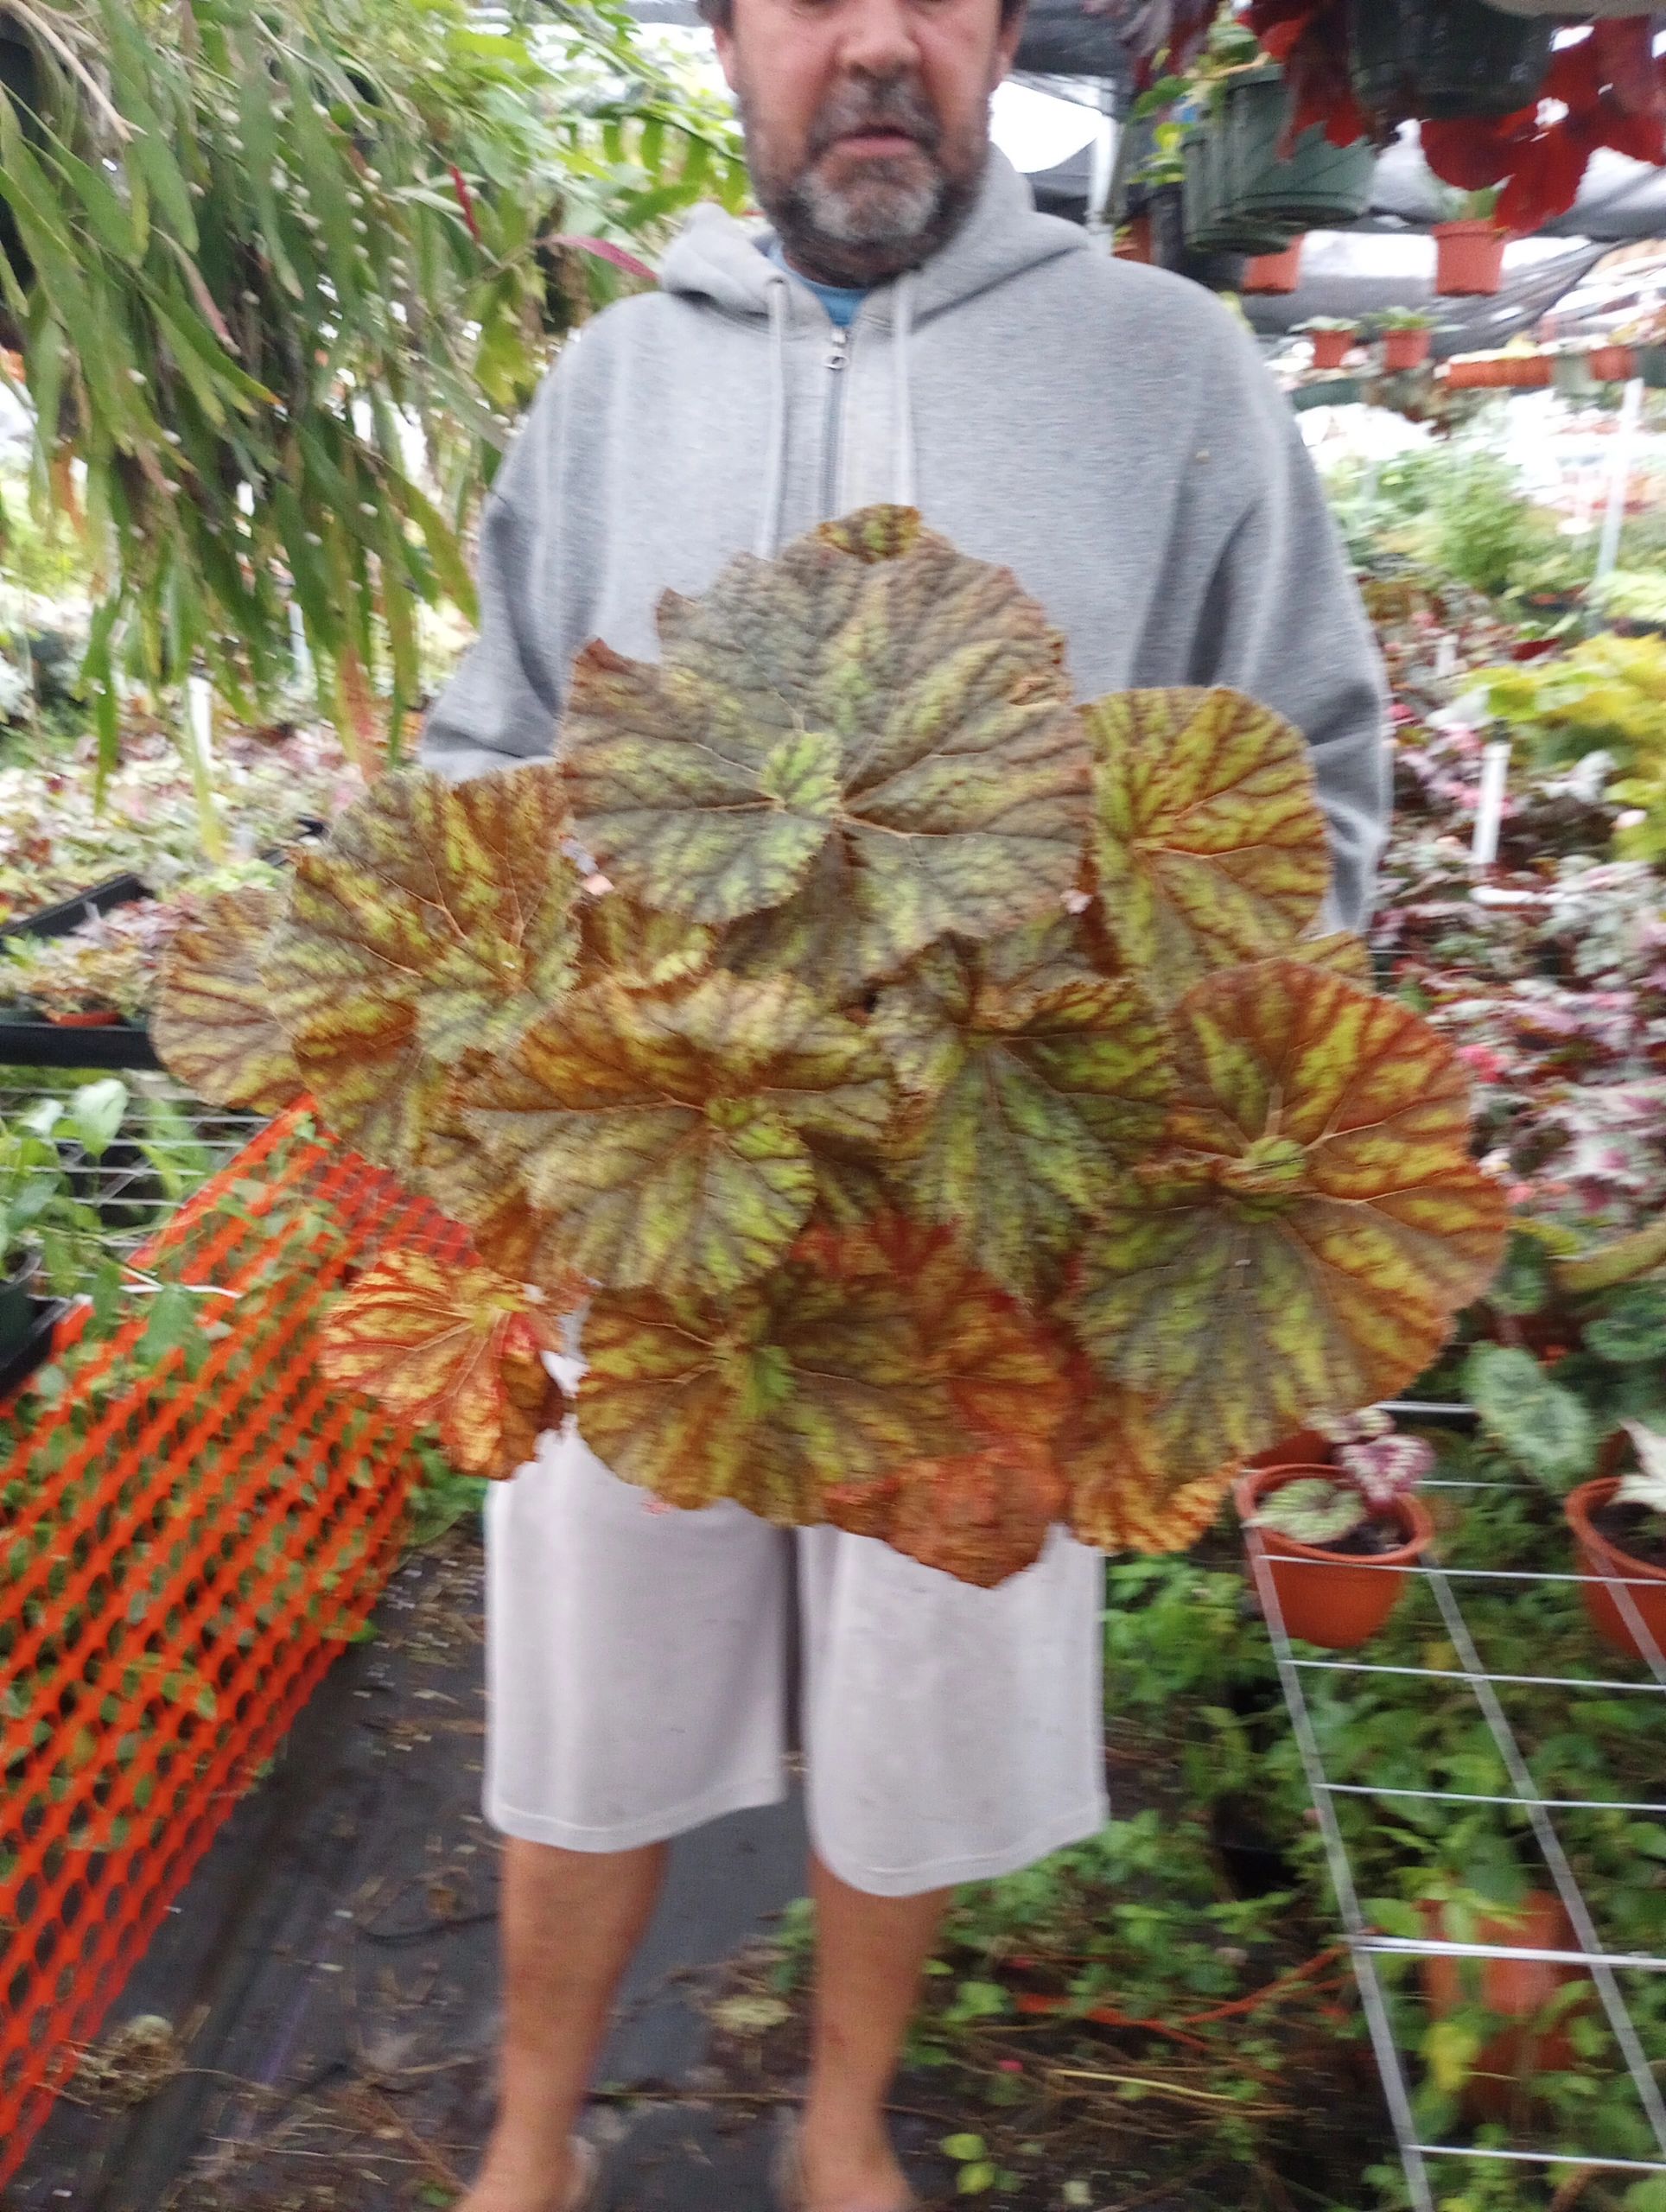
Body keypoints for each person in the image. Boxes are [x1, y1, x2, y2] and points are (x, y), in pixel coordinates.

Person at [421, 0, 1389, 2202]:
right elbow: (474, 752)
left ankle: (839, 2123)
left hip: (998, 1214)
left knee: (922, 1685)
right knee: (586, 1681)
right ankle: (530, 2134)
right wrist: (568, 927)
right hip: (651, 1178)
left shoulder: (1169, 367)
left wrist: (1104, 959)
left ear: (1001, 28)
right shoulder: (610, 379)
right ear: (734, 41)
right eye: (808, 1)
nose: (876, 42)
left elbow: (1310, 795)